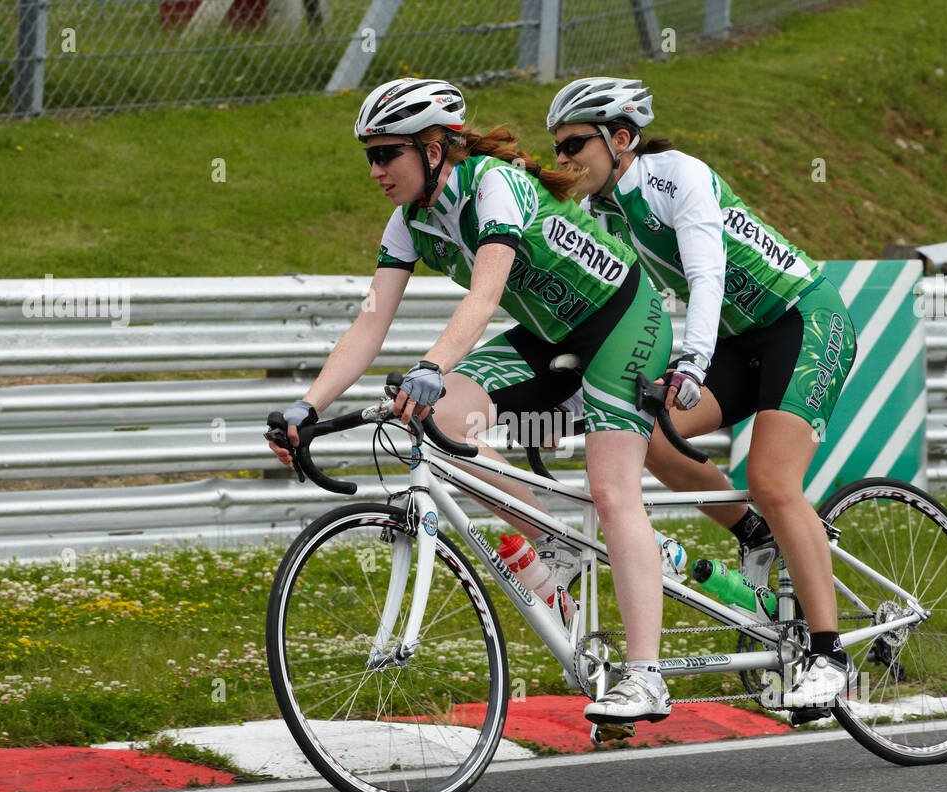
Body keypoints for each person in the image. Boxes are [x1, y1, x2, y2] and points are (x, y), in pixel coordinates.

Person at [267, 77, 677, 724]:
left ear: (434, 149)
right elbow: (369, 324)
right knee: (441, 413)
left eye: (385, 154)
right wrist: (308, 407)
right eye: (368, 156)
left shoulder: (492, 184)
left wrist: (431, 363)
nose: (374, 170)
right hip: (549, 336)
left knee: (612, 489)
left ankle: (647, 677)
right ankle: (555, 540)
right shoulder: (409, 222)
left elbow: (484, 296)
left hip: (622, 322)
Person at [547, 77, 860, 708]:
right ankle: (757, 536)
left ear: (622, 138)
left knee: (773, 478)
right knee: (649, 439)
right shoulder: (600, 210)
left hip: (802, 318)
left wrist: (692, 361)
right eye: (556, 148)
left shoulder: (675, 176)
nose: (563, 160)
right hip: (739, 341)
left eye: (575, 143)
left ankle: (830, 656)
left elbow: (704, 272)